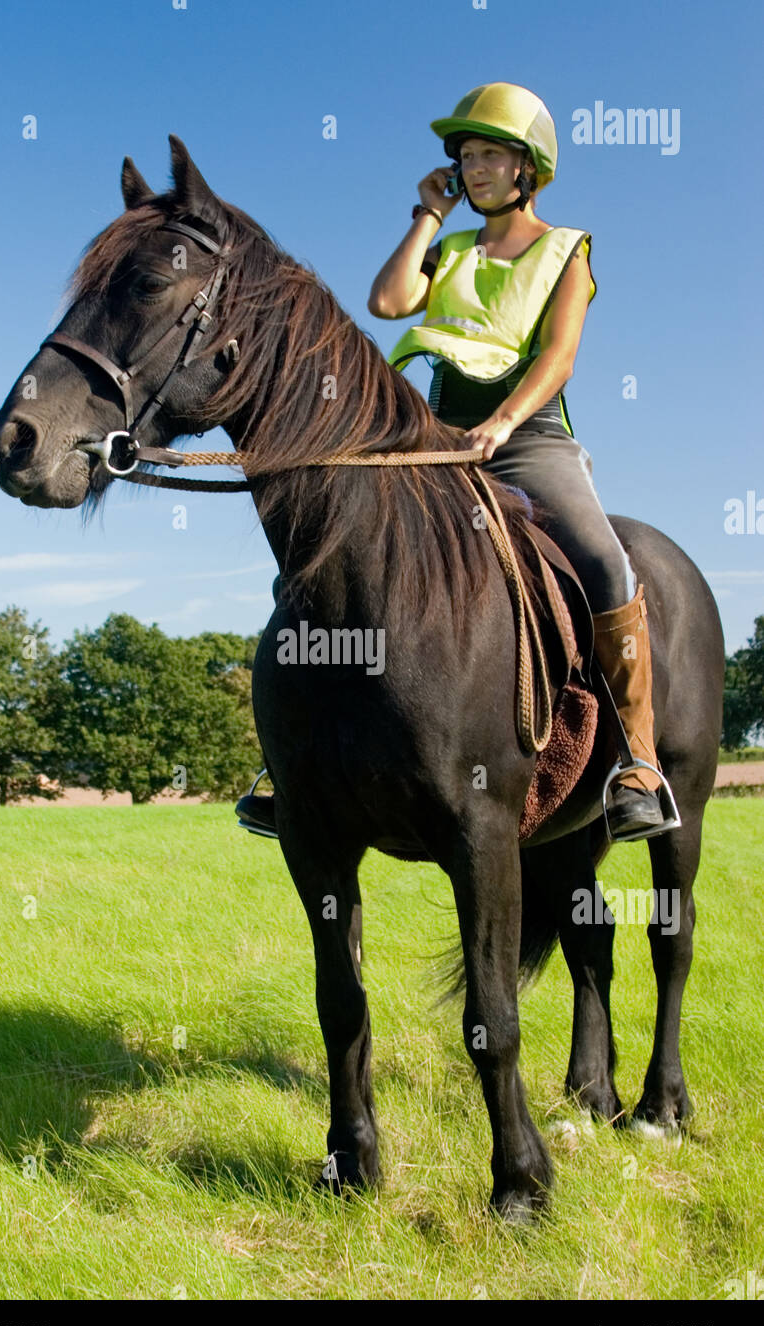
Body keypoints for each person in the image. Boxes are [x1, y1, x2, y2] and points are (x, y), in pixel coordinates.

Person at [236, 82, 675, 843]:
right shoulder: (452, 248)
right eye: (464, 158)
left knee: (606, 565)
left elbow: (560, 356)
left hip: (529, 434)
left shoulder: (568, 248)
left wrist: (504, 423)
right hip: (435, 436)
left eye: (489, 155)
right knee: (322, 555)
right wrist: (427, 214)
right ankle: (294, 761)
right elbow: (386, 300)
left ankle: (636, 763)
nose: (474, 169)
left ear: (527, 167)